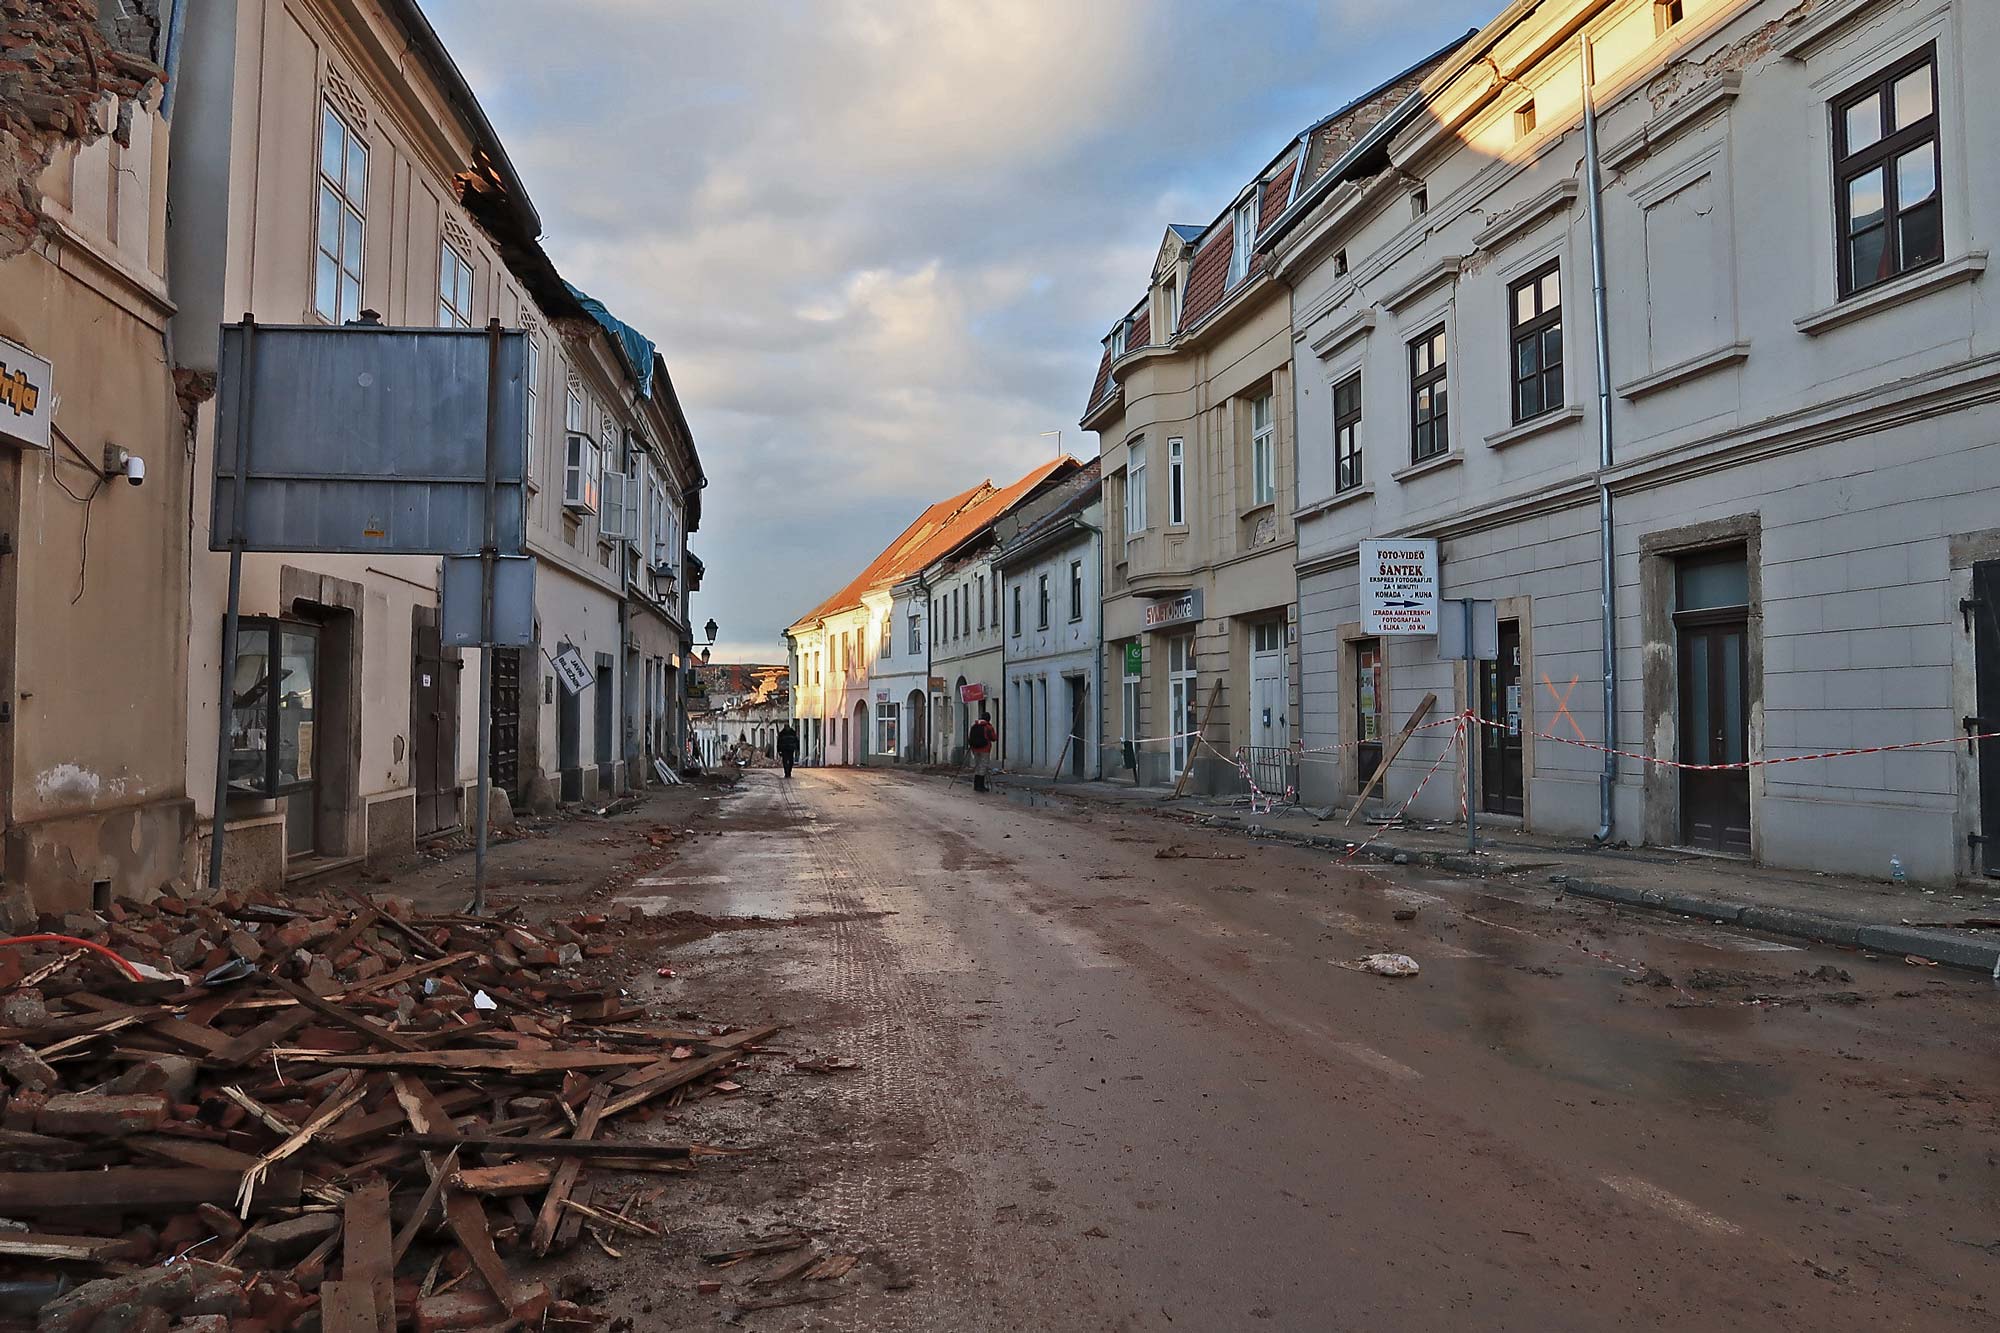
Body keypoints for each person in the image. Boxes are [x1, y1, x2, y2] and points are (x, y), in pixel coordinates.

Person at [967, 706, 997, 793]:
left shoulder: (974, 726)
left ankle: (976, 785)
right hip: (985, 749)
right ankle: (981, 785)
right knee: (983, 767)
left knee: (977, 766)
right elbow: (994, 738)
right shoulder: (988, 727)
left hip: (975, 749)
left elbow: (970, 737)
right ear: (988, 719)